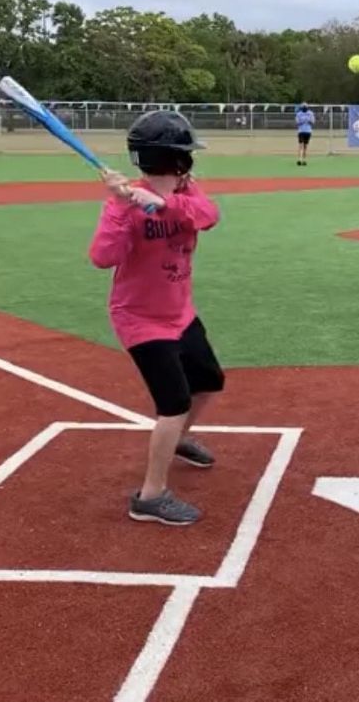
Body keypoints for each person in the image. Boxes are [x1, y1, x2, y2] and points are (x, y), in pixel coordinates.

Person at [88, 110, 224, 526]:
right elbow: (102, 257)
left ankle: (178, 441)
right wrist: (118, 205)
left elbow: (209, 215)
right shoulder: (127, 205)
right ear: (176, 159)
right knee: (174, 403)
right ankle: (150, 496)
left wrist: (165, 203)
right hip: (140, 318)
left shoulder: (186, 193)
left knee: (210, 381)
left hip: (179, 311)